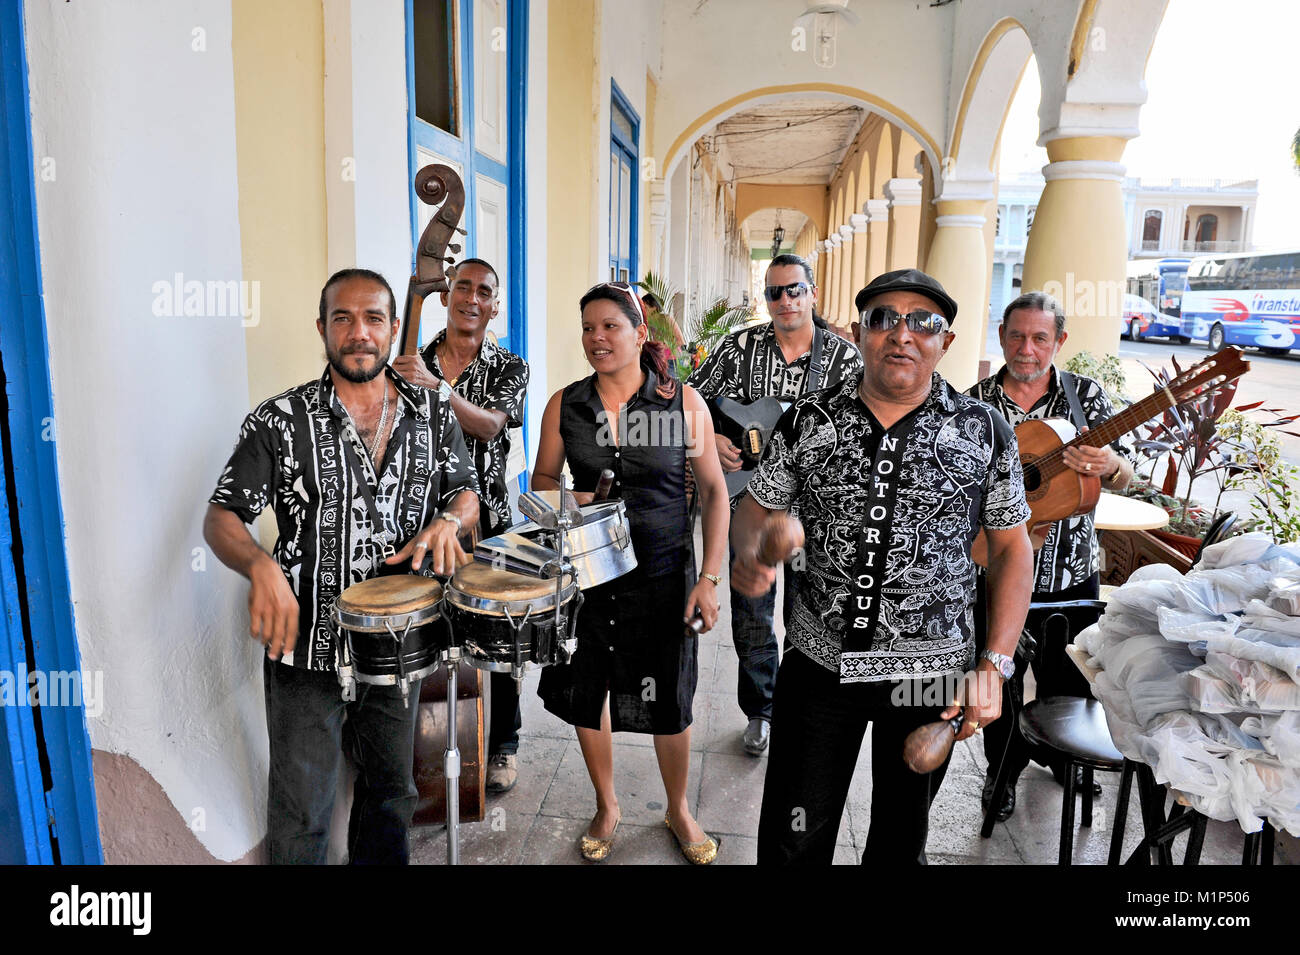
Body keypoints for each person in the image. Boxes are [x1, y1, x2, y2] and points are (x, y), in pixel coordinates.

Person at [733, 268, 1033, 865]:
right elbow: (754, 511)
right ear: (857, 332)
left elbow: (1010, 549)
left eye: (923, 322)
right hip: (821, 666)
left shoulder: (985, 431)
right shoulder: (807, 420)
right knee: (794, 836)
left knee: (900, 842)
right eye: (884, 318)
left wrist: (995, 666)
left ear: (945, 342)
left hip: (929, 675)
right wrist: (758, 547)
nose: (903, 334)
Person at [204, 268, 480, 865]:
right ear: (323, 328)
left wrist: (450, 522)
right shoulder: (278, 421)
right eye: (343, 319)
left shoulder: (432, 413)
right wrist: (260, 565)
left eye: (373, 319)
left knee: (391, 797)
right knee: (302, 808)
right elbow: (222, 516)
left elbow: (467, 495)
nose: (359, 333)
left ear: (394, 328)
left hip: (399, 646)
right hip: (305, 649)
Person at [532, 281, 730, 864]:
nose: (597, 338)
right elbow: (543, 481)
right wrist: (576, 501)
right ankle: (607, 803)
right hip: (590, 575)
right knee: (588, 688)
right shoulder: (566, 405)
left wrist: (710, 577)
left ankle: (678, 807)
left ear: (640, 334)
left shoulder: (680, 404)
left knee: (670, 695)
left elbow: (716, 493)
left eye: (610, 326)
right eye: (588, 327)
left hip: (666, 573)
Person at [968, 290, 1134, 821]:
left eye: (1040, 338)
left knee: (1069, 676)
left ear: (1059, 341)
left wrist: (1108, 464)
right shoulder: (974, 402)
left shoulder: (1084, 398)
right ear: (1001, 337)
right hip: (995, 570)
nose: (1027, 348)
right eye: (1016, 336)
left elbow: (1129, 473)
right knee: (1001, 675)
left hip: (1070, 569)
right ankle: (1003, 771)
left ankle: (1064, 758)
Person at [688, 252, 862, 756]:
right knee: (752, 616)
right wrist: (712, 442)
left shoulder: (845, 362)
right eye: (774, 292)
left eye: (794, 290)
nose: (784, 300)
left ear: (813, 295)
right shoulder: (738, 346)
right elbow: (691, 404)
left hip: (818, 517)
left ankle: (801, 711)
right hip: (750, 510)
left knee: (810, 614)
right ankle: (760, 711)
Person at [391, 257, 530, 795]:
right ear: (445, 295)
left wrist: (436, 390)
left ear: (495, 305)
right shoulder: (412, 357)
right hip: (424, 521)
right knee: (432, 632)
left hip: (490, 521)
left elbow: (493, 425)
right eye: (463, 287)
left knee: (499, 633)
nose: (473, 298)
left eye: (485, 291)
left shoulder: (508, 366)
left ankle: (504, 743)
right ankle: (432, 743)